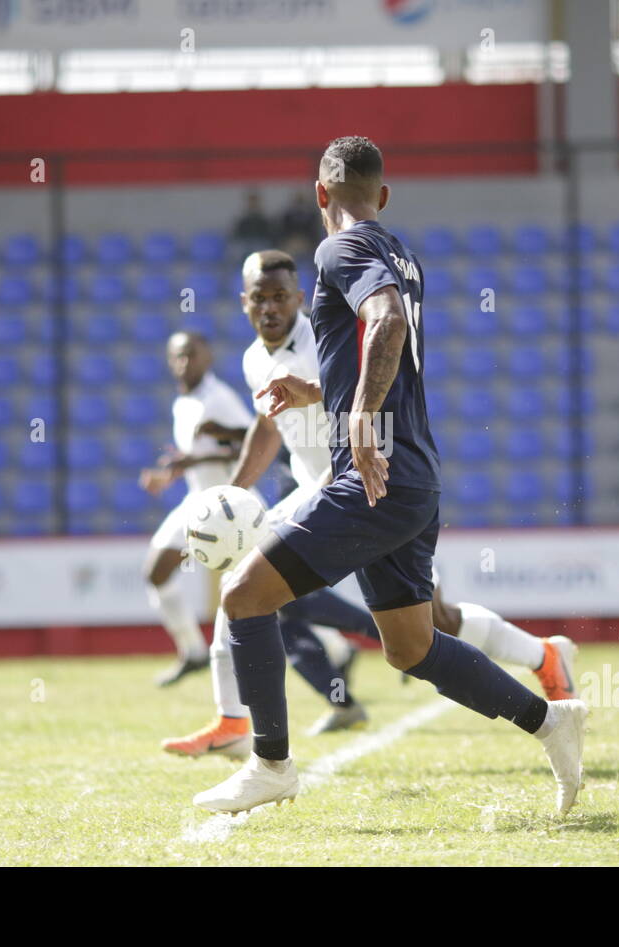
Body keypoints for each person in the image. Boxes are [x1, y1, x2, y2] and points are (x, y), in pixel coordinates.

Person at [191, 137, 587, 816]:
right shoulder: (399, 253)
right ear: (383, 195)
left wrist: (360, 418)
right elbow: (383, 341)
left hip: (374, 474)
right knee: (411, 647)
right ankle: (551, 721)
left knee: (243, 595)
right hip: (414, 477)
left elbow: (387, 321)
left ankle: (270, 764)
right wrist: (321, 392)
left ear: (321, 195)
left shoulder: (336, 250)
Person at [163, 249, 577, 759]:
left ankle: (544, 655)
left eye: (279, 298)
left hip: (365, 486)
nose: (269, 308)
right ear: (244, 303)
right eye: (259, 299)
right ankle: (232, 719)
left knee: (435, 624)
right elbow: (268, 426)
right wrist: (236, 490)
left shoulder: (326, 340)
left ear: (297, 298)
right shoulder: (253, 360)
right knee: (241, 586)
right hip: (318, 490)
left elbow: (369, 397)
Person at [140, 331, 252, 687]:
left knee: (266, 588)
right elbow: (192, 458)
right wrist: (168, 475)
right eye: (177, 356)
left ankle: (337, 648)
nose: (184, 362)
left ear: (208, 358)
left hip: (230, 506)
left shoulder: (218, 398)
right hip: (198, 502)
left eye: (191, 354)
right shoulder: (182, 403)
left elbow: (254, 444)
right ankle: (193, 651)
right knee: (156, 572)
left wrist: (198, 457)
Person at [228, 190, 275, 263]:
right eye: (251, 201)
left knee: (261, 251)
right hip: (244, 241)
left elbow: (269, 232)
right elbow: (236, 232)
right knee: (235, 251)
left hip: (260, 241)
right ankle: (229, 272)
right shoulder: (242, 217)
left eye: (254, 201)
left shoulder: (264, 217)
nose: (252, 203)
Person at [277, 189, 324, 260]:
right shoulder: (288, 215)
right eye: (298, 199)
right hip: (292, 241)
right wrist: (293, 239)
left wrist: (306, 240)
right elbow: (284, 229)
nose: (299, 201)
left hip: (307, 241)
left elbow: (314, 230)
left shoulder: (311, 214)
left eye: (301, 199)